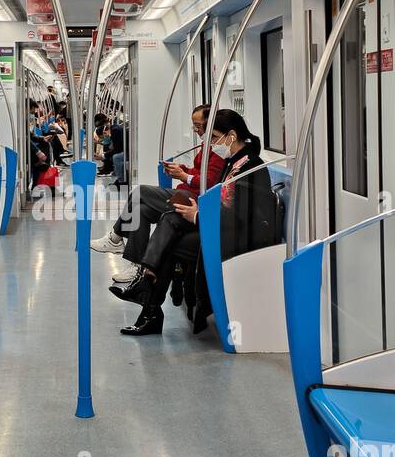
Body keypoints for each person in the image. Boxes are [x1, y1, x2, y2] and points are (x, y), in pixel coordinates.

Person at [112, 109, 278, 336]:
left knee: (169, 239)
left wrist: (198, 216)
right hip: (220, 226)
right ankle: (147, 287)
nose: (213, 144)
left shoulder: (250, 167)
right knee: (170, 218)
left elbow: (244, 216)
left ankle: (148, 299)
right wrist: (198, 211)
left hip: (234, 237)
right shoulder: (234, 162)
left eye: (215, 138)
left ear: (231, 135)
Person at [89, 104, 222, 283]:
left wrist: (184, 176)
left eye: (198, 125)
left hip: (195, 201)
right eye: (194, 126)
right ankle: (137, 266)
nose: (196, 130)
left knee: (140, 192)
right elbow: (200, 172)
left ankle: (115, 237)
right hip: (187, 193)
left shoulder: (219, 148)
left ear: (210, 122)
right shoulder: (208, 144)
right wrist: (182, 170)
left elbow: (210, 181)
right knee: (140, 210)